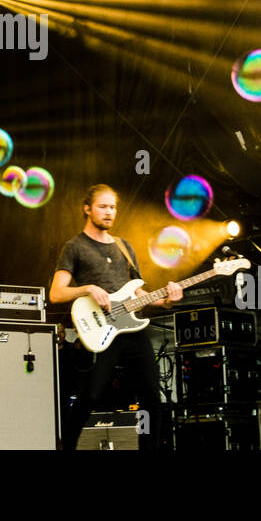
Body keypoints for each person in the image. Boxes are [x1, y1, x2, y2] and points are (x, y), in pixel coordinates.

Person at [49, 184, 182, 450]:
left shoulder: (124, 246)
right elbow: (56, 293)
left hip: (132, 330)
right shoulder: (74, 247)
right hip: (101, 331)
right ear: (87, 209)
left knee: (151, 397)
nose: (109, 212)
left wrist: (166, 300)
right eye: (103, 206)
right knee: (91, 395)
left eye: (113, 207)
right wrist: (88, 288)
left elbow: (137, 291)